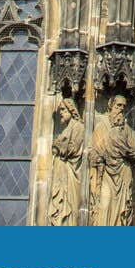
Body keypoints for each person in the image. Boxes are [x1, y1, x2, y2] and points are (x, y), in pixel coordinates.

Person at [89, 96, 135, 227]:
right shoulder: (101, 126)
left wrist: (130, 153)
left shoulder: (126, 130)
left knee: (122, 209)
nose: (121, 109)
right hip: (106, 174)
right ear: (110, 106)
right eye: (118, 106)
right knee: (104, 204)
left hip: (123, 174)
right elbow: (93, 152)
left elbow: (133, 151)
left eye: (124, 106)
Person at [48, 96, 84, 226]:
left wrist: (58, 146)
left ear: (71, 110)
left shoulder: (78, 127)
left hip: (71, 173)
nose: (61, 113)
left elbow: (72, 149)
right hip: (62, 172)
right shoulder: (68, 129)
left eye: (63, 110)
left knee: (70, 207)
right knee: (61, 206)